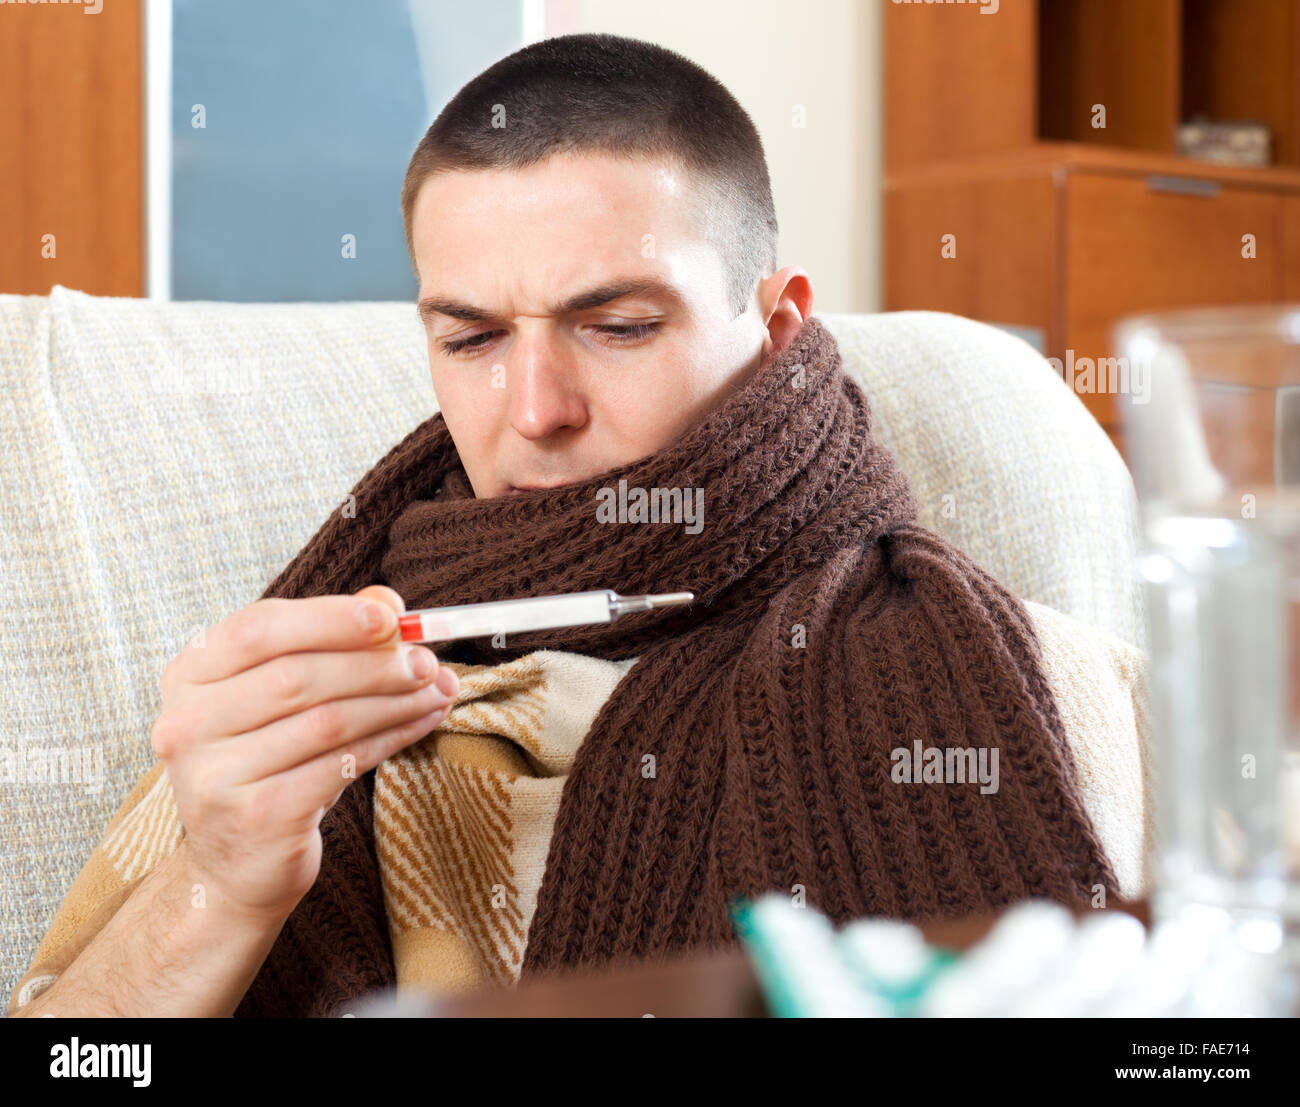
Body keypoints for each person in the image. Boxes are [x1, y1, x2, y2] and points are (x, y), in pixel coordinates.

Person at [10, 32, 1144, 1018]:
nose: (536, 411)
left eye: (619, 325)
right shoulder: (302, 709)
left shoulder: (1054, 680)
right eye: (470, 340)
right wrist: (223, 880)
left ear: (779, 326)